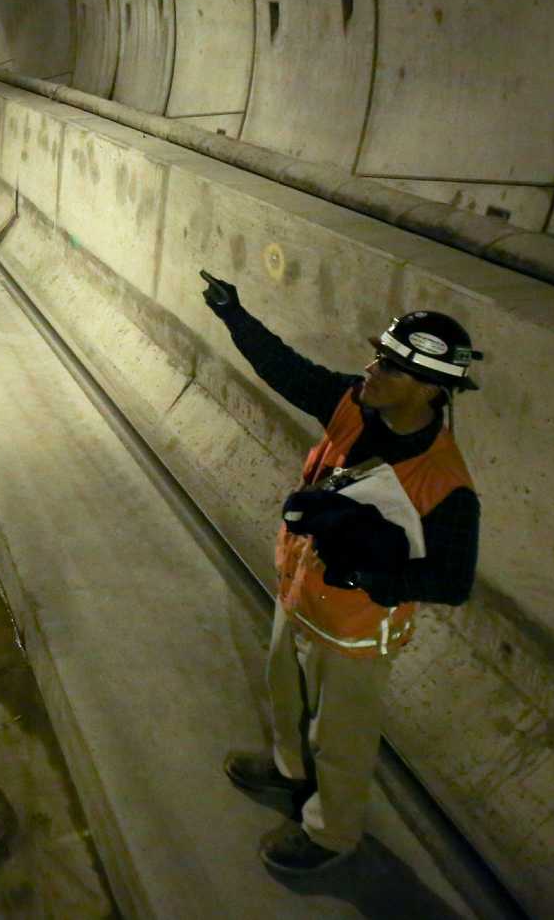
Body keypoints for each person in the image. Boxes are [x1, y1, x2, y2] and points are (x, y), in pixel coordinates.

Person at [199, 270, 483, 876]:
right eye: (379, 357)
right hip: (300, 595)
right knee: (284, 692)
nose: (371, 371)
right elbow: (288, 371)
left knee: (341, 739)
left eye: (391, 367)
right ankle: (287, 769)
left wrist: (374, 576)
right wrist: (234, 315)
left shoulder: (445, 485)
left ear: (430, 389)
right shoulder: (354, 404)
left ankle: (331, 833)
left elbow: (452, 581)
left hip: (354, 633)